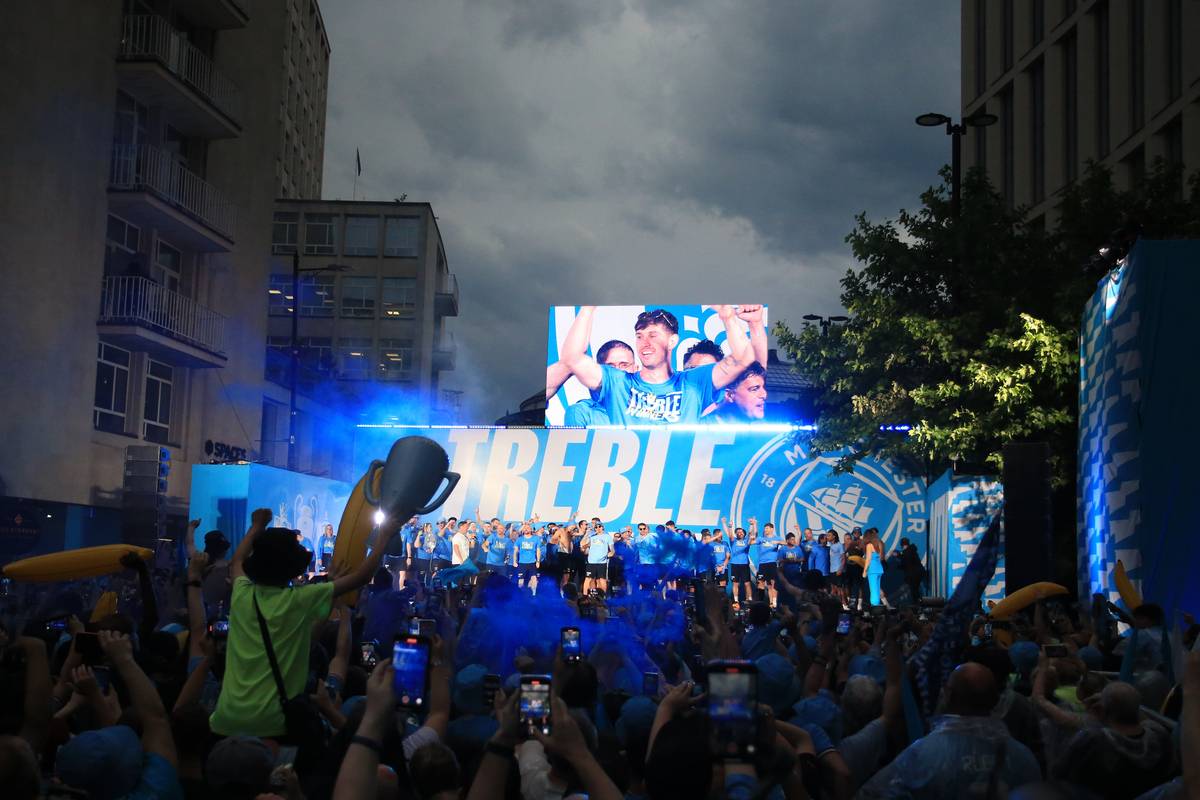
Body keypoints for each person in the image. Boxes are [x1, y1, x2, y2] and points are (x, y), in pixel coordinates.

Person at [208, 507, 401, 739]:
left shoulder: (241, 593)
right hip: (274, 726)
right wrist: (383, 536)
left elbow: (237, 560)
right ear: (293, 569)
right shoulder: (299, 599)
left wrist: (257, 526)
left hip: (225, 721)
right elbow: (360, 577)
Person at [857, 662, 1042, 798]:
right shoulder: (1024, 758)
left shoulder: (922, 754)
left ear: (948, 695)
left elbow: (872, 794)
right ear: (996, 700)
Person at [558, 305, 758, 425]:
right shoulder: (618, 381)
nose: (645, 343)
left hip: (682, 487)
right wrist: (588, 308)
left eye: (653, 335)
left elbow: (743, 358)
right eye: (640, 336)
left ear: (672, 342)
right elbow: (572, 357)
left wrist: (728, 317)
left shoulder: (693, 382)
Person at [703, 361, 768, 422]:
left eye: (763, 388)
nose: (764, 395)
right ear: (729, 395)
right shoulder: (701, 429)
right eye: (754, 389)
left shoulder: (766, 431)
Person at [723, 517, 754, 605]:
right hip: (735, 565)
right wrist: (729, 526)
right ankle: (736, 600)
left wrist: (751, 524)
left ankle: (749, 600)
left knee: (747, 583)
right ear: (736, 534)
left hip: (744, 565)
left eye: (741, 532)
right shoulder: (733, 541)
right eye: (738, 532)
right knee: (735, 584)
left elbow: (750, 532)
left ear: (744, 534)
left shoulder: (747, 540)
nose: (740, 533)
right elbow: (729, 534)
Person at [581, 522, 614, 595]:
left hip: (602, 563)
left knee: (601, 580)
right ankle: (585, 596)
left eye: (599, 526)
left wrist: (606, 555)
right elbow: (583, 546)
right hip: (591, 562)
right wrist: (587, 534)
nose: (598, 528)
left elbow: (612, 550)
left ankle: (603, 597)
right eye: (596, 527)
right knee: (588, 579)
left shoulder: (607, 537)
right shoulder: (592, 537)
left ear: (603, 527)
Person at [863, 528, 885, 607]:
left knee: (873, 590)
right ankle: (877, 607)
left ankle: (875, 608)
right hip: (879, 569)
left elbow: (868, 559)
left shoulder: (869, 545)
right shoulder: (879, 544)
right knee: (877, 589)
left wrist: (864, 571)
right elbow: (881, 557)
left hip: (872, 570)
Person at [900, 537, 926, 603]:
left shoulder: (907, 552)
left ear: (903, 545)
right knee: (916, 590)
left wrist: (900, 565)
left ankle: (918, 605)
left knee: (914, 590)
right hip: (918, 573)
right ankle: (918, 604)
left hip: (914, 574)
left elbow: (907, 563)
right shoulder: (911, 550)